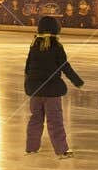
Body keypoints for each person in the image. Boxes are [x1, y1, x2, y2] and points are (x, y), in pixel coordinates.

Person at [24, 15, 84, 158]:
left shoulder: (34, 45)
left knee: (35, 119)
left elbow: (27, 68)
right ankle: (62, 150)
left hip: (35, 91)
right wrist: (77, 81)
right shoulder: (57, 46)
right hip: (52, 92)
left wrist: (29, 84)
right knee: (55, 120)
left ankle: (31, 148)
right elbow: (65, 66)